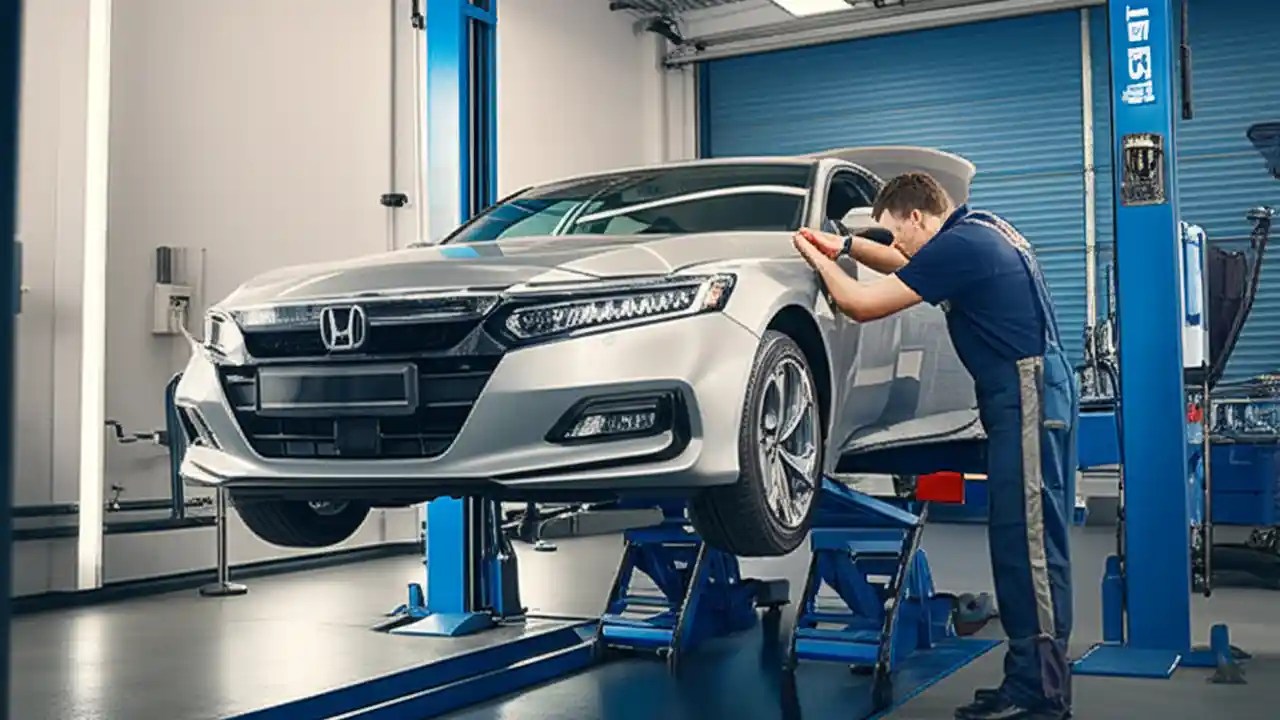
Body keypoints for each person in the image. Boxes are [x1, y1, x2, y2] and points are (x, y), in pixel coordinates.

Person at [792, 172, 1076, 720]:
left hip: (1025, 392)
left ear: (918, 217)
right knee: (1019, 543)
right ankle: (1026, 681)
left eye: (895, 233)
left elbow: (859, 304)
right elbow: (904, 264)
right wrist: (846, 246)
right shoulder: (977, 233)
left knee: (1030, 548)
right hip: (1026, 389)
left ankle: (1042, 696)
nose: (895, 246)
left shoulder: (963, 246)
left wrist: (815, 257)